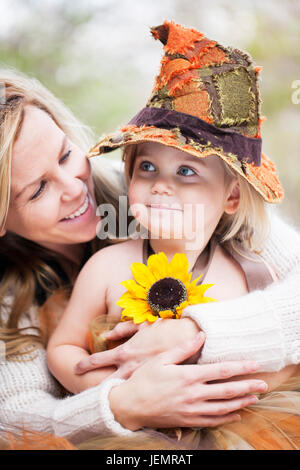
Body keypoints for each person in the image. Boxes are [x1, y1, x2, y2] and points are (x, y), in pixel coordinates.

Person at [0, 20, 299, 448]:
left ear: (232, 196)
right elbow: (14, 419)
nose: (73, 188)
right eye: (39, 188)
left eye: (66, 155)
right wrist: (122, 400)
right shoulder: (106, 265)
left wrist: (200, 332)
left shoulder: (229, 238)